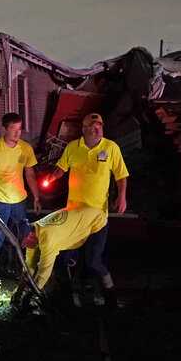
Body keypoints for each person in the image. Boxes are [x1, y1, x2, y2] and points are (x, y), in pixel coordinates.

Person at [43, 112, 129, 305]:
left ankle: (110, 294)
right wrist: (52, 177)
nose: (97, 128)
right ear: (84, 129)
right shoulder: (73, 148)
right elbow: (61, 168)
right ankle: (69, 295)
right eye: (93, 126)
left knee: (93, 260)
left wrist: (122, 196)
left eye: (99, 125)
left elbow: (121, 175)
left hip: (97, 216)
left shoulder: (110, 147)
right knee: (67, 256)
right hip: (74, 214)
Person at [0, 112, 41, 279]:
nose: (18, 133)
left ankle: (26, 275)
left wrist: (37, 197)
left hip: (20, 201)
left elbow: (30, 175)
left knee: (26, 238)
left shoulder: (26, 148)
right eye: (14, 130)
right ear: (4, 129)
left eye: (20, 129)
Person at [10, 204, 109, 312]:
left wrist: (29, 295)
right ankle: (71, 298)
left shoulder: (48, 238)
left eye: (23, 245)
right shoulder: (33, 229)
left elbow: (44, 272)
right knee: (63, 264)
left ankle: (107, 296)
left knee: (92, 262)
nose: (24, 248)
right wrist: (18, 291)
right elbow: (30, 266)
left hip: (96, 222)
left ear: (30, 235)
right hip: (77, 224)